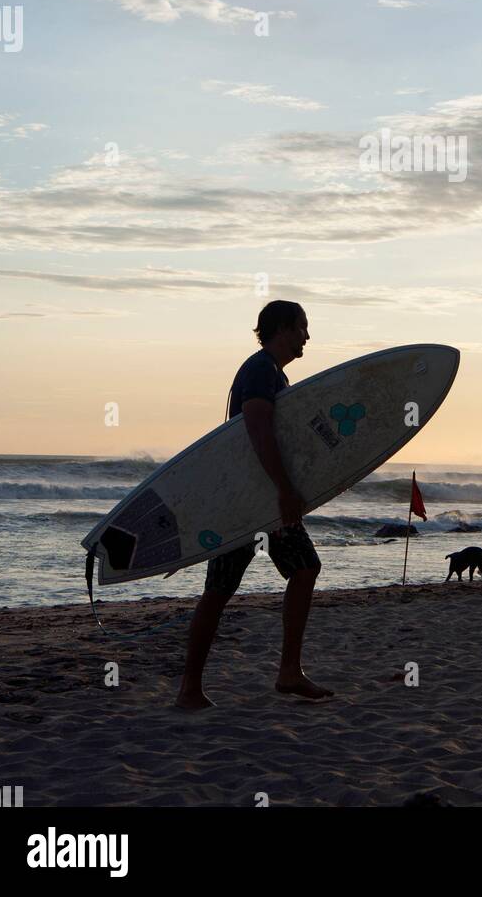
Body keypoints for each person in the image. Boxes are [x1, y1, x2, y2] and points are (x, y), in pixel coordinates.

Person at [176, 300, 332, 708]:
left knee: (301, 570)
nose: (307, 337)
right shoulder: (261, 370)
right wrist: (283, 489)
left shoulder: (274, 374)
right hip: (248, 502)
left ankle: (287, 672)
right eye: (301, 328)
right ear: (281, 328)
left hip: (261, 500)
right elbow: (258, 431)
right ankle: (192, 687)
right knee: (220, 589)